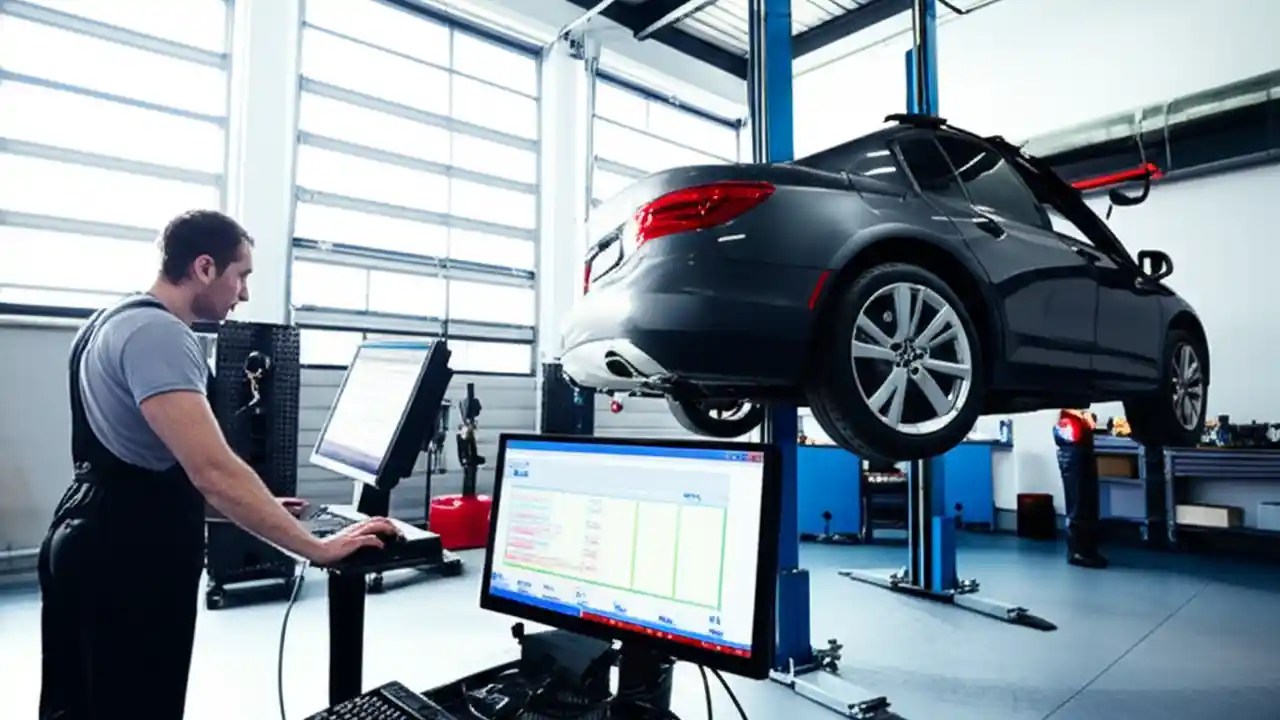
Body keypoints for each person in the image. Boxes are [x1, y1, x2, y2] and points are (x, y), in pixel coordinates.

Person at [38, 210, 398, 720]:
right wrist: (319, 549)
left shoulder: (108, 322)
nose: (244, 293)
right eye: (242, 275)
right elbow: (213, 472)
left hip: (85, 536)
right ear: (205, 268)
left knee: (78, 705)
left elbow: (152, 467)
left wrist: (262, 507)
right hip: (128, 556)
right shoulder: (160, 335)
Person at [1053, 408, 1108, 569]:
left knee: (1087, 501)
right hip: (1073, 450)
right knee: (1078, 502)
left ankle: (1087, 550)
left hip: (1081, 447)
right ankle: (1078, 552)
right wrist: (1083, 415)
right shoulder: (1068, 418)